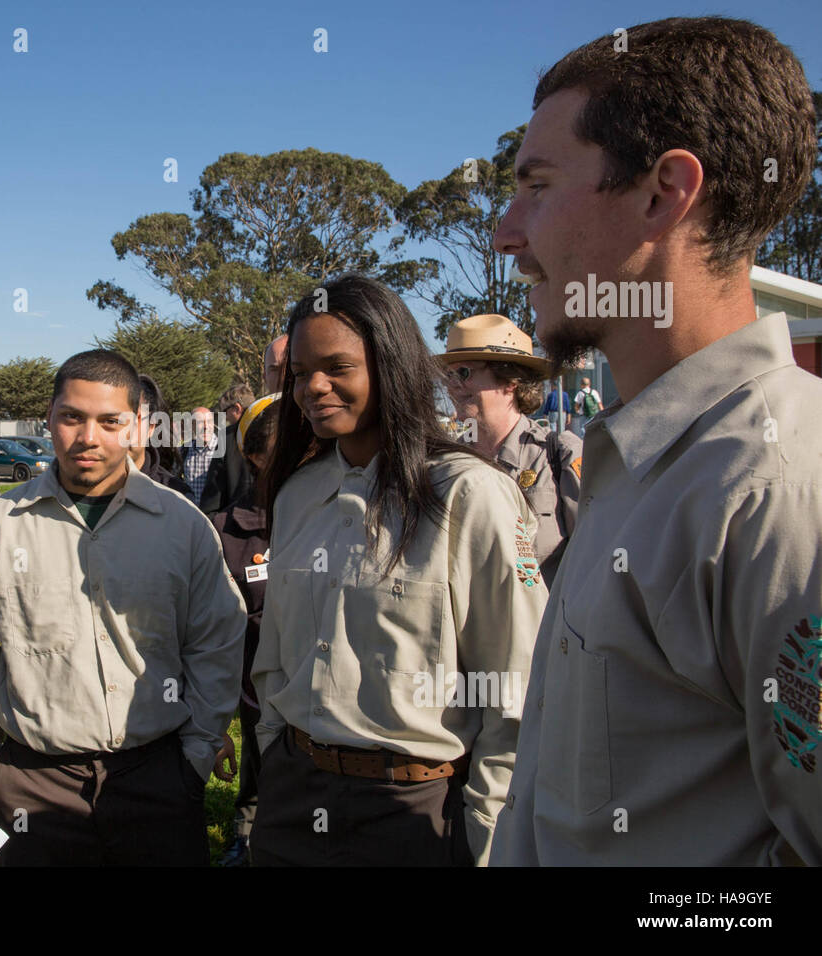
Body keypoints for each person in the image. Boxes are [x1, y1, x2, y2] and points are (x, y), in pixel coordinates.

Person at [490, 16, 822, 866]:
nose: (506, 232)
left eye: (536, 185)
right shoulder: (631, 460)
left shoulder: (773, 485)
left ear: (664, 192)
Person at [250, 274, 548, 867]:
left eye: (337, 367)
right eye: (301, 370)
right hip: (292, 799)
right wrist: (274, 751)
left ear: (390, 366)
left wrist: (487, 831)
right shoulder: (297, 496)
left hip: (415, 814)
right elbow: (277, 653)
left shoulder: (470, 496)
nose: (313, 387)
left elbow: (517, 688)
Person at [0, 349, 247, 866]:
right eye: (72, 418)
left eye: (110, 421)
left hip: (159, 779)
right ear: (50, 419)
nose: (88, 437)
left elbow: (216, 641)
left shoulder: (183, 525)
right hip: (33, 785)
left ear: (136, 425)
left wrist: (196, 755)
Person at [439, 313, 582, 584]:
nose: (452, 386)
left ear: (510, 382)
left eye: (464, 373)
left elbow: (596, 561)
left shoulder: (557, 456)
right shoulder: (445, 464)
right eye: (448, 375)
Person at [209, 397, 278, 866]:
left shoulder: (331, 515)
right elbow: (212, 633)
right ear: (253, 455)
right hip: (258, 695)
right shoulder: (224, 532)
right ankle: (247, 837)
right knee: (260, 771)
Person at [130, 373, 193, 499]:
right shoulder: (84, 485)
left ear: (151, 427)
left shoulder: (176, 497)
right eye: (111, 420)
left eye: (135, 420)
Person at [199, 383, 255, 515]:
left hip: (235, 524)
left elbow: (213, 495)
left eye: (225, 411)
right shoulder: (276, 428)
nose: (225, 417)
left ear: (237, 408)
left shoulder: (226, 437)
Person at [180, 406, 219, 508]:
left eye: (209, 421)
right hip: (189, 516)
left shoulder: (223, 450)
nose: (206, 426)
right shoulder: (184, 450)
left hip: (214, 519)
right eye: (200, 422)